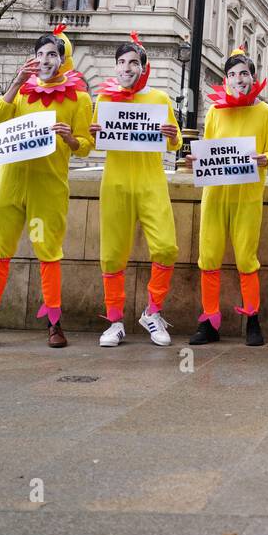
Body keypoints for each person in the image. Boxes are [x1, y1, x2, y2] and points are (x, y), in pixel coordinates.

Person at [0, 25, 92, 349]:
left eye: (52, 54)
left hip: (47, 187)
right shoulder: (21, 91)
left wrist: (70, 138)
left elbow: (87, 144)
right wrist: (16, 83)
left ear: (62, 60)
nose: (46, 60)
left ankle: (54, 325)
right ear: (33, 58)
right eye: (41, 54)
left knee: (48, 253)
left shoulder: (79, 97)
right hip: (11, 183)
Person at [184, 46, 268, 346]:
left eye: (243, 74)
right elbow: (210, 148)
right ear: (225, 80)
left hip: (248, 196)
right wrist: (196, 160)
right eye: (232, 75)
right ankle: (209, 321)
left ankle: (253, 320)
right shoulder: (215, 111)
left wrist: (266, 159)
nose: (238, 79)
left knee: (246, 258)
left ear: (253, 78)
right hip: (215, 195)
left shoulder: (266, 112)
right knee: (208, 256)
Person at [91, 33, 181, 348]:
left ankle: (152, 312)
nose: (127, 68)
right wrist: (93, 134)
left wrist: (171, 134)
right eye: (122, 62)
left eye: (133, 62)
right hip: (115, 184)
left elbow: (176, 141)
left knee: (167, 248)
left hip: (151, 182)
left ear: (143, 68)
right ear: (116, 67)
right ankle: (114, 322)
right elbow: (91, 142)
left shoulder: (159, 99)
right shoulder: (104, 100)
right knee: (113, 254)